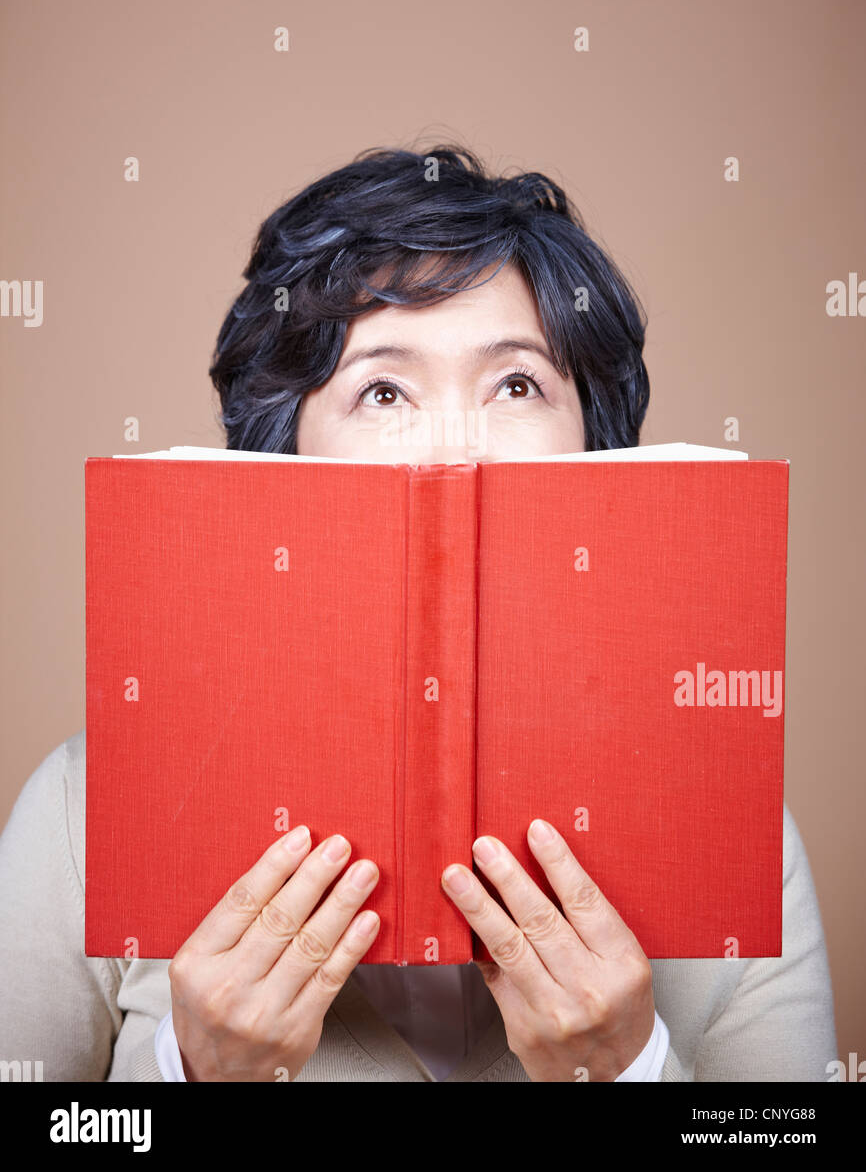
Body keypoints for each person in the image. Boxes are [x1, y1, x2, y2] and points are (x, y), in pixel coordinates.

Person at [0, 143, 836, 1081]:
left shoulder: (733, 831)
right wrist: (188, 1076)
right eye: (383, 390)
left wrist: (630, 1068)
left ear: (596, 447)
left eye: (516, 383)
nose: (454, 447)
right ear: (284, 458)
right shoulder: (84, 809)